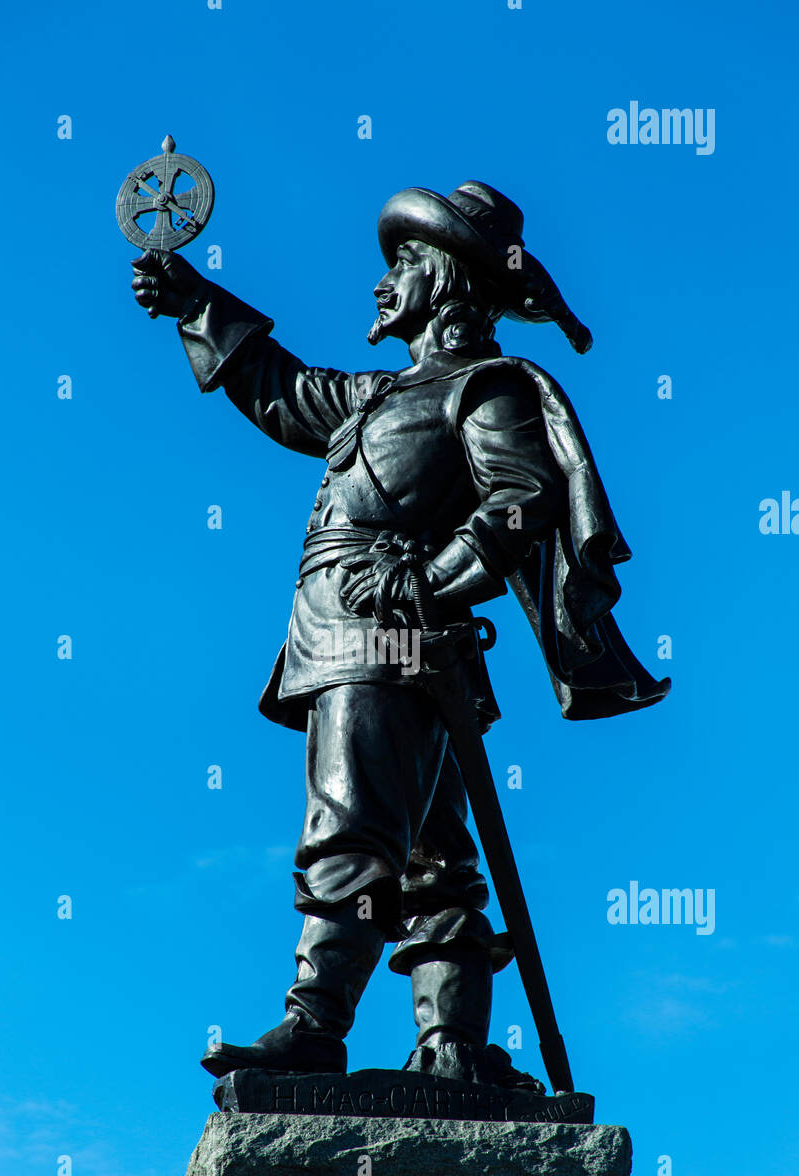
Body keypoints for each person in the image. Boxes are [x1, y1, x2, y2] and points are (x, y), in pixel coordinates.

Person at [131, 181, 669, 1088]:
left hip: (388, 637)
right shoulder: (377, 395)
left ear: (448, 281)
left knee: (349, 825)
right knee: (434, 860)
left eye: (403, 264)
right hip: (351, 634)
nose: (383, 284)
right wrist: (196, 301)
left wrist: (426, 579)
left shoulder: (485, 388)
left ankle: (312, 1031)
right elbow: (285, 391)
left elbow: (522, 501)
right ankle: (452, 1046)